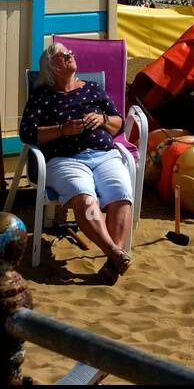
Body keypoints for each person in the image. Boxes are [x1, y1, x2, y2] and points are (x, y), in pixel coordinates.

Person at [19, 43, 133, 281]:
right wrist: (62, 129)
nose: (70, 55)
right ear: (51, 67)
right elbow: (27, 133)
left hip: (104, 154)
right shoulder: (43, 97)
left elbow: (118, 122)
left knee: (121, 194)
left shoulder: (92, 89)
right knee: (85, 199)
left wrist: (101, 119)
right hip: (65, 160)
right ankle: (114, 252)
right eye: (63, 55)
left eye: (70, 53)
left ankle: (113, 262)